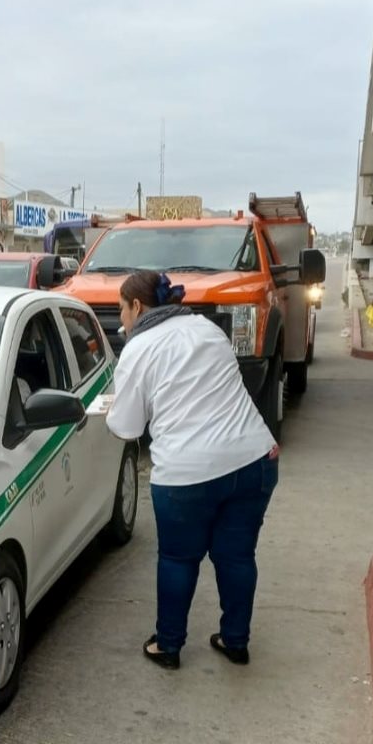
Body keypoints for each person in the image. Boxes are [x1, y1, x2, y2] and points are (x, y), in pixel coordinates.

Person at [106, 270, 279, 670]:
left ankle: (168, 647)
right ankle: (235, 641)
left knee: (178, 560)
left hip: (186, 475)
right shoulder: (206, 329)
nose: (121, 321)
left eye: (121, 310)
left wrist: (115, 408)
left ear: (137, 306)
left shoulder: (139, 347)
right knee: (236, 557)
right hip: (253, 458)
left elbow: (127, 427)